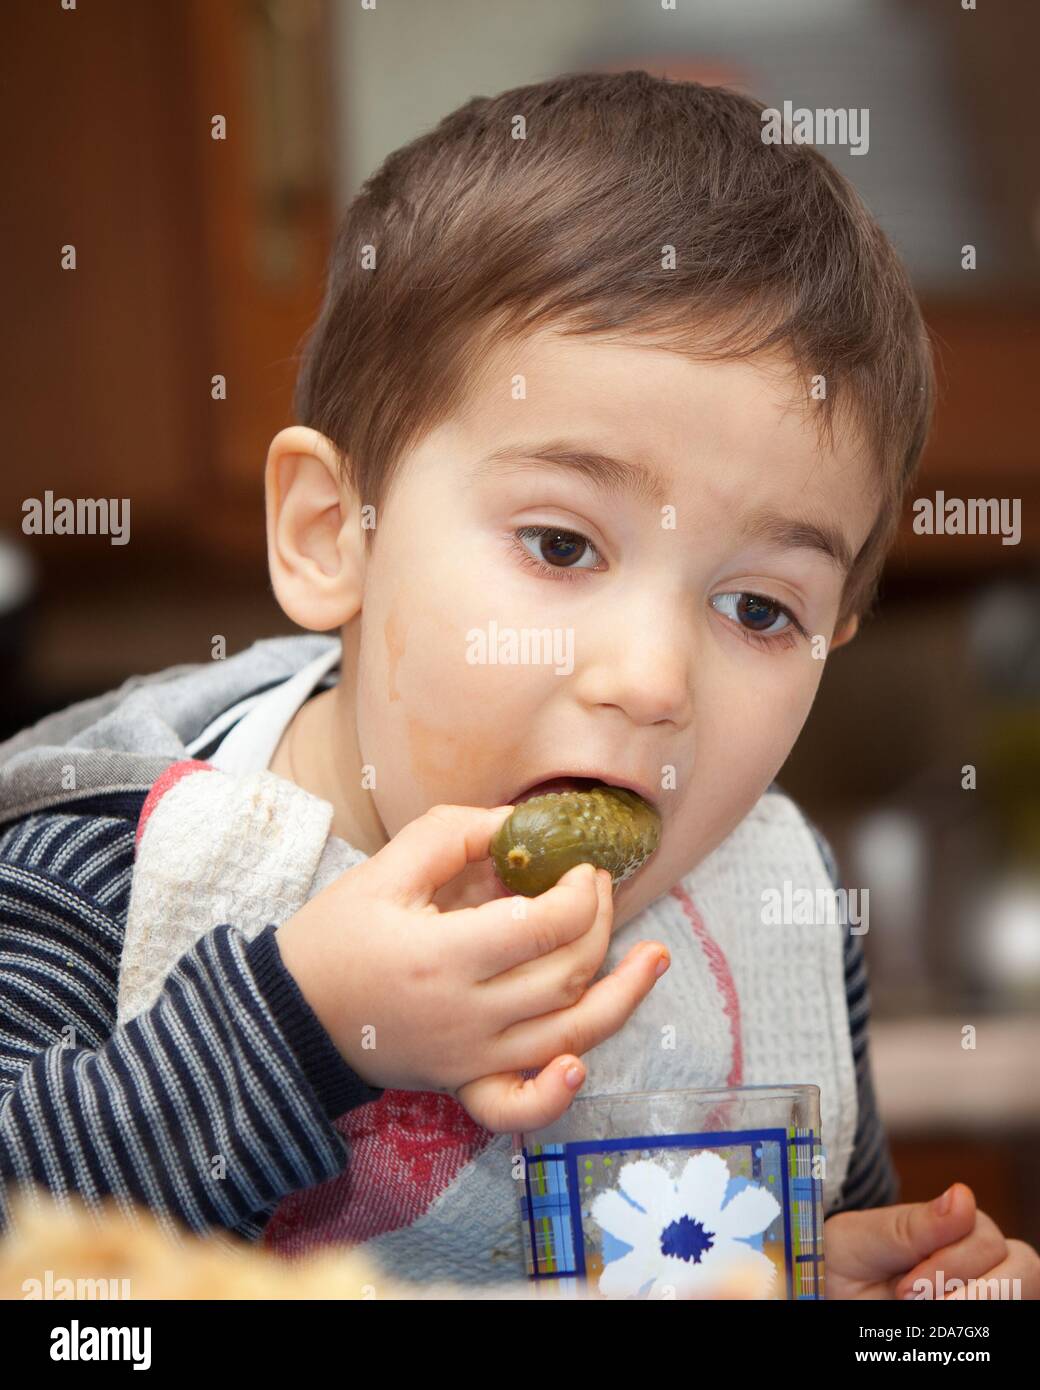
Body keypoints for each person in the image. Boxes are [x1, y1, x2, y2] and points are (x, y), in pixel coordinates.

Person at [1, 71, 1035, 1298]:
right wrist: (304, 1024)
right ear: (334, 532)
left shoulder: (774, 912)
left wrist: (822, 1285)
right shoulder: (108, 862)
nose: (652, 681)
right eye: (560, 545)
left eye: (758, 608)